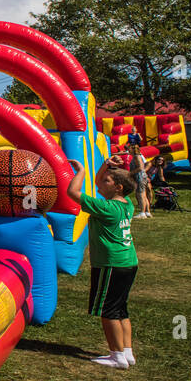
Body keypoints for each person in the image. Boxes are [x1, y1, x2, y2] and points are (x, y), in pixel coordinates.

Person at [68, 156, 138, 369]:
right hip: (128, 262)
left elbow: (72, 193)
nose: (100, 184)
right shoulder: (127, 204)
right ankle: (127, 352)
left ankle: (116, 356)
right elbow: (99, 181)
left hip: (111, 264)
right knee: (120, 309)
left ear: (117, 187)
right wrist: (106, 165)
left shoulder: (105, 208)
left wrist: (80, 172)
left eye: (106, 181)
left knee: (108, 311)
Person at [128, 143, 151, 218]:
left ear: (133, 149)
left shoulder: (137, 157)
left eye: (129, 148)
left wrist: (131, 173)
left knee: (140, 194)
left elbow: (140, 168)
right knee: (143, 195)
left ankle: (142, 213)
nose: (128, 150)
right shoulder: (137, 156)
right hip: (142, 177)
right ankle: (147, 212)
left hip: (140, 177)